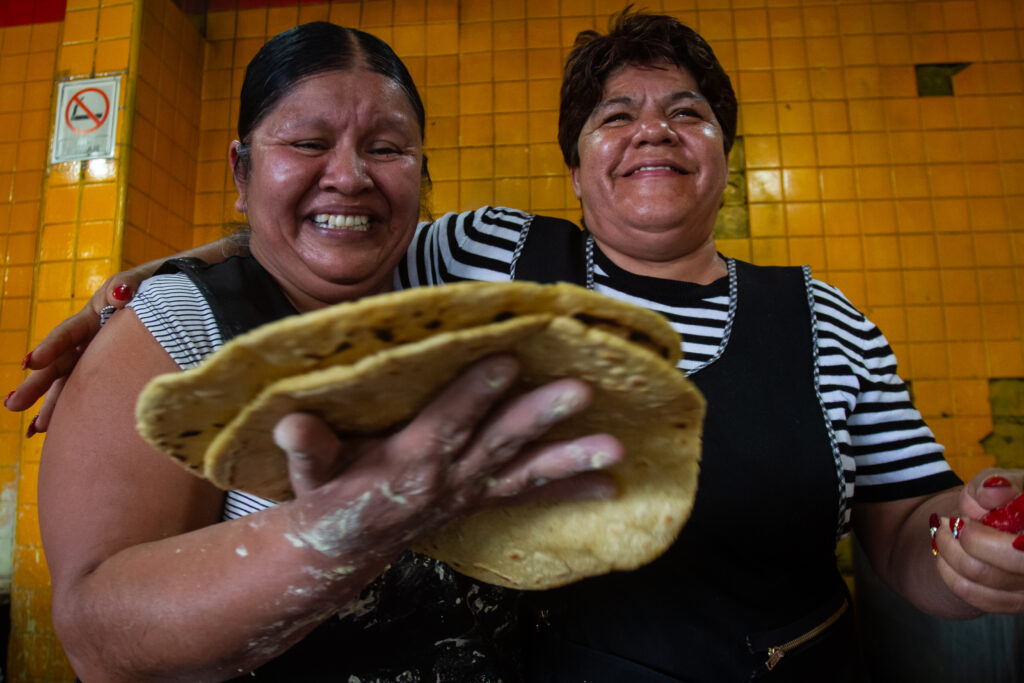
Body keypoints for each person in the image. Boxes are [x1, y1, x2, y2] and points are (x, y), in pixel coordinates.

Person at [10, 10, 1024, 682]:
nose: (654, 131)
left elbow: (906, 535)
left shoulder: (825, 317)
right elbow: (326, 241)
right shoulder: (485, 252)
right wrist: (151, 286)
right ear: (574, 167)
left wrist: (965, 543)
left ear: (726, 153)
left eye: (689, 113)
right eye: (614, 114)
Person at [23, 22, 625, 682]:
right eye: (309, 142)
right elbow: (95, 632)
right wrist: (344, 528)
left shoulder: (453, 278)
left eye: (387, 148)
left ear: (420, 175)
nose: (349, 175)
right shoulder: (177, 327)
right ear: (240, 168)